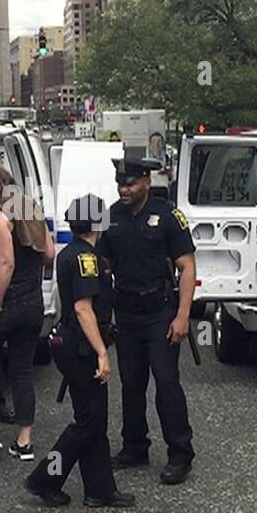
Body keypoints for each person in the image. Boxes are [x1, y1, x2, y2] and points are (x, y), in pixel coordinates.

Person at [25, 195, 135, 508]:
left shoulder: (69, 252)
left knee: (94, 419)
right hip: (82, 346)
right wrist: (102, 352)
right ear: (98, 224)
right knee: (87, 422)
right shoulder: (87, 258)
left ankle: (99, 489)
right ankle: (45, 478)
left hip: (71, 342)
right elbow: (83, 309)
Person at [103, 157, 197, 485]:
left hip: (160, 312)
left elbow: (187, 267)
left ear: (146, 182)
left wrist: (183, 316)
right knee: (131, 383)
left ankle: (180, 453)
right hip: (127, 312)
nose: (123, 189)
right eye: (120, 184)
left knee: (167, 382)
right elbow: (106, 266)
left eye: (129, 184)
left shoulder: (169, 216)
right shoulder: (111, 217)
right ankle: (134, 445)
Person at [0, 162, 55, 460]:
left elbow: (6, 262)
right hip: (32, 303)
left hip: (5, 301)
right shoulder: (29, 207)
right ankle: (24, 441)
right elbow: (50, 255)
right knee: (23, 370)